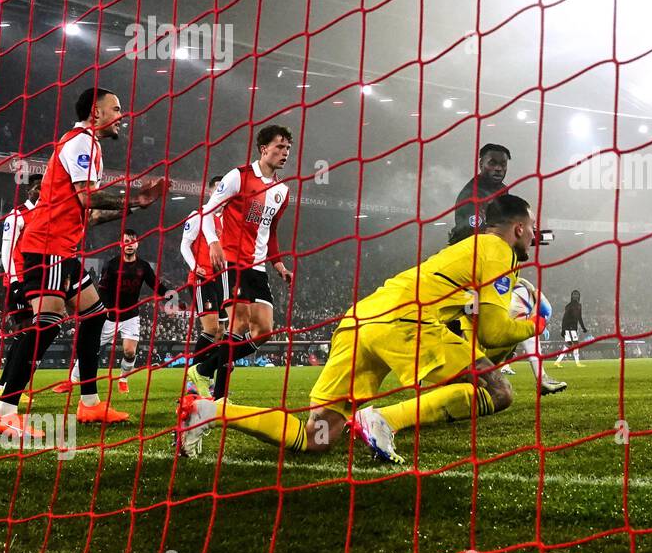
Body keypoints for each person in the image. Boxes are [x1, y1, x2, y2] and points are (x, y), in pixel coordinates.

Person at [176, 194, 547, 463]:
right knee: (498, 391)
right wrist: (535, 324)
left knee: (316, 438)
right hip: (406, 321)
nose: (534, 236)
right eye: (532, 228)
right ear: (518, 228)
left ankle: (211, 412)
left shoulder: (474, 247)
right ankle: (384, 420)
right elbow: (495, 335)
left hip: (360, 322)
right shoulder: (500, 252)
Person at [0, 88, 166, 438]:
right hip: (48, 245)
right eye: (116, 108)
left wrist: (133, 206)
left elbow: (89, 212)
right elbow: (88, 197)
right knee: (48, 324)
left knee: (95, 315)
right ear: (96, 113)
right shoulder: (82, 141)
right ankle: (4, 412)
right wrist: (137, 196)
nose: (122, 114)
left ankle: (88, 403)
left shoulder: (88, 144)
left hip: (64, 249)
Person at [192, 127, 294, 400]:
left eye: (288, 148)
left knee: (264, 330)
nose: (285, 153)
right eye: (280, 147)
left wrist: (278, 264)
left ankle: (203, 369)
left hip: (258, 267)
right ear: (263, 149)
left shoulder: (282, 191)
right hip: (232, 261)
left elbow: (270, 232)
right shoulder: (239, 176)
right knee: (237, 326)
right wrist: (213, 241)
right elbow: (209, 211)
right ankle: (221, 398)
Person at [64, 229, 175, 393]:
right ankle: (72, 380)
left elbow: (155, 284)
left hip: (130, 315)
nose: (129, 245)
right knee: (91, 349)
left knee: (130, 351)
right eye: (126, 241)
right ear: (121, 244)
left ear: (137, 243)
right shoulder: (112, 264)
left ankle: (123, 379)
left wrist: (170, 296)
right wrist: (105, 307)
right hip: (109, 316)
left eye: (132, 241)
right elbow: (102, 288)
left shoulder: (143, 266)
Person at [0, 173, 41, 398]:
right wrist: (13, 282)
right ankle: (6, 386)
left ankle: (8, 385)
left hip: (37, 282)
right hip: (20, 282)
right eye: (36, 187)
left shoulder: (45, 214)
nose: (40, 191)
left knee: (29, 335)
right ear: (28, 190)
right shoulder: (17, 215)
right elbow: (6, 252)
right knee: (25, 334)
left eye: (44, 187)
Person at [180, 175, 226, 394]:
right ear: (210, 192)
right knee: (210, 329)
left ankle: (205, 379)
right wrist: (194, 266)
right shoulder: (198, 216)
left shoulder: (225, 220)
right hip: (202, 278)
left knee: (221, 334)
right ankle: (192, 380)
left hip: (221, 280)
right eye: (218, 189)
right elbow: (184, 245)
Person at [448, 143, 510, 245]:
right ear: (481, 164)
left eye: (503, 164)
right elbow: (472, 235)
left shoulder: (502, 189)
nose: (498, 168)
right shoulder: (471, 195)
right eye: (492, 163)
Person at [554, 289, 588, 367]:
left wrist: (583, 327)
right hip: (570, 328)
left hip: (571, 328)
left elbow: (579, 317)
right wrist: (563, 329)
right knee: (576, 344)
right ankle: (577, 362)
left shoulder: (577, 305)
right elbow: (565, 318)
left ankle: (557, 361)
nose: (576, 296)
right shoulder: (570, 306)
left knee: (568, 345)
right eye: (575, 295)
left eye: (577, 295)